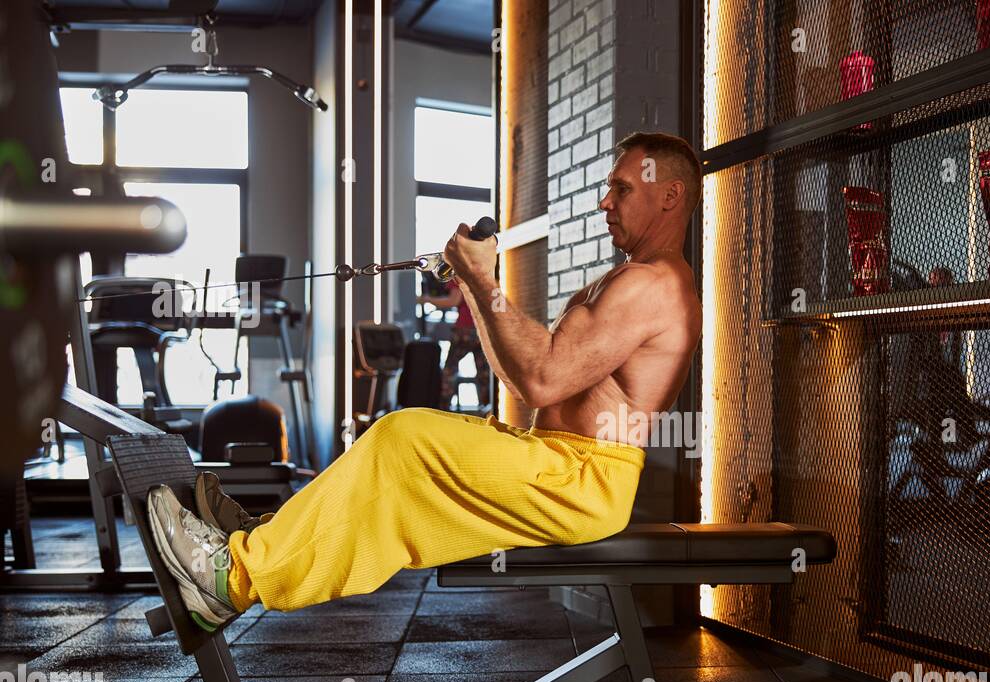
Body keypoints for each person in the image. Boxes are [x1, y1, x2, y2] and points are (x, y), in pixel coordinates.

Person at [146, 132, 704, 629]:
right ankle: (262, 538)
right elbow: (526, 376)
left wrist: (482, 278)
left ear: (670, 195)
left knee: (402, 439)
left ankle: (233, 576)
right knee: (399, 449)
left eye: (621, 188)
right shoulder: (632, 280)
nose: (605, 201)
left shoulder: (654, 286)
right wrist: (472, 281)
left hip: (582, 480)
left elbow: (540, 379)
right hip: (558, 464)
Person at [417, 272, 490, 411]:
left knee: (450, 370)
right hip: (483, 330)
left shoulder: (460, 274)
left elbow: (454, 300)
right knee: (484, 373)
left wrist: (427, 299)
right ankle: (488, 408)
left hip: (465, 330)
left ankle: (443, 409)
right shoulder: (483, 273)